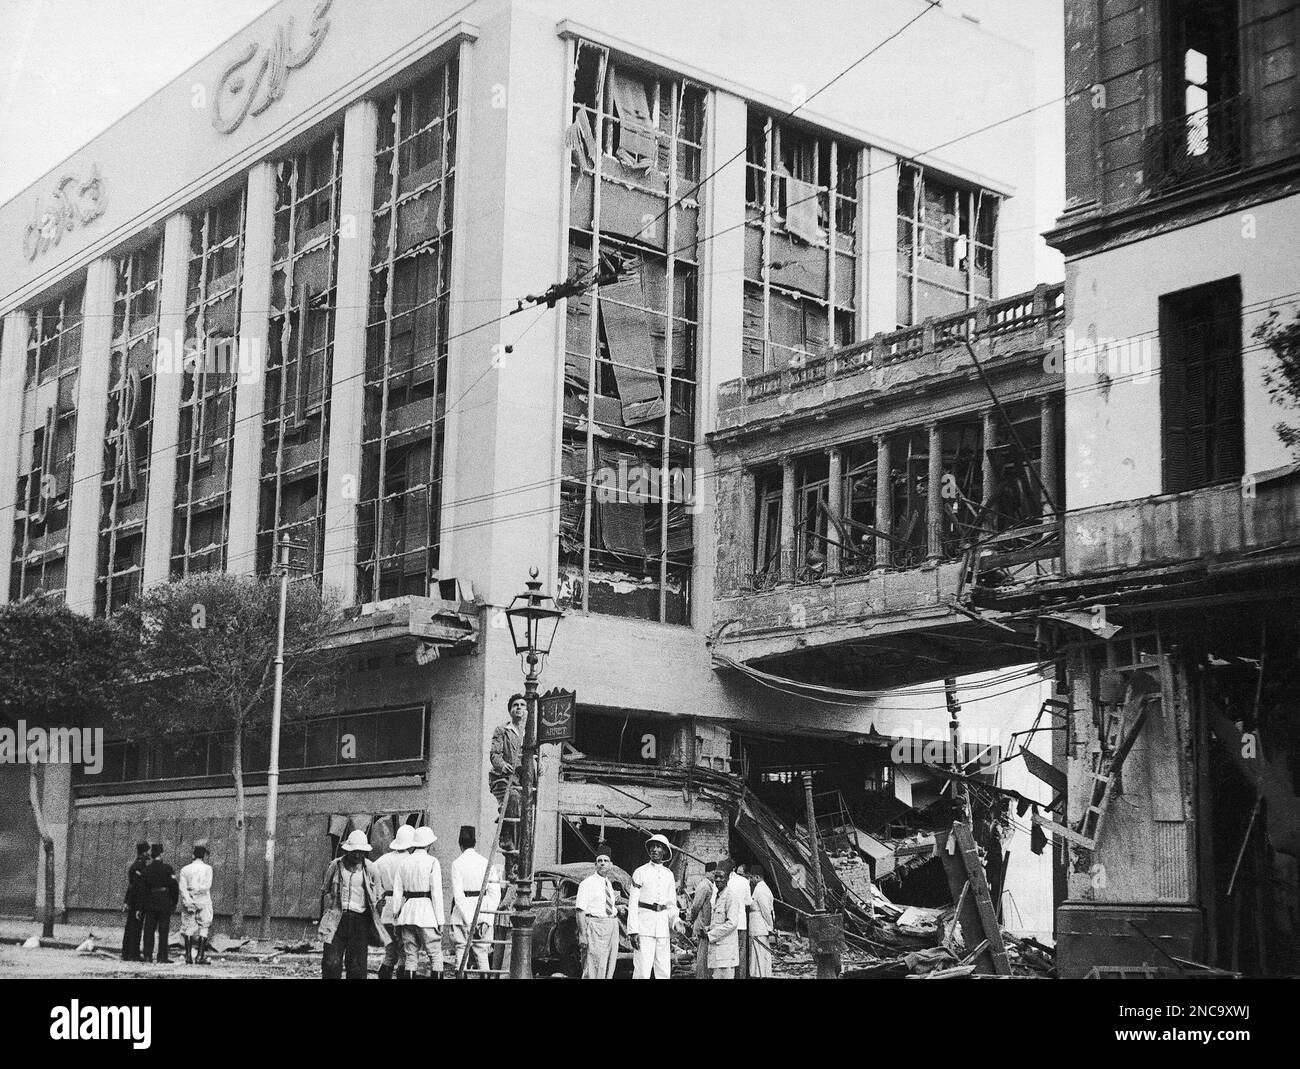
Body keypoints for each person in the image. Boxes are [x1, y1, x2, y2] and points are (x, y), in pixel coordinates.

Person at [319, 829, 389, 979]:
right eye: (355, 851)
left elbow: (378, 896)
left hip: (360, 920)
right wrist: (325, 916)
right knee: (331, 962)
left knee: (357, 965)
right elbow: (325, 891)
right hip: (337, 918)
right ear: (348, 850)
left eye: (361, 852)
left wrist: (376, 918)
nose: (358, 855)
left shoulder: (370, 869)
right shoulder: (335, 866)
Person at [392, 826, 445, 978]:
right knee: (435, 954)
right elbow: (436, 893)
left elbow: (398, 892)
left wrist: (396, 914)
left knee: (410, 956)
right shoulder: (433, 862)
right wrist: (440, 920)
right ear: (429, 844)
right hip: (427, 913)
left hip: (407, 913)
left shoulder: (404, 862)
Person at [627, 833, 683, 979]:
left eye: (658, 846)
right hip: (644, 927)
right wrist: (633, 931)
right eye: (652, 846)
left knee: (663, 969)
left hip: (663, 928)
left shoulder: (668, 874)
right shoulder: (640, 872)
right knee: (643, 970)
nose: (654, 849)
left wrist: (676, 921)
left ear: (664, 851)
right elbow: (633, 904)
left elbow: (671, 904)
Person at [450, 825, 500, 974]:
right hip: (482, 909)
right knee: (482, 953)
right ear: (474, 842)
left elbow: (458, 896)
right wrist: (487, 916)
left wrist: (468, 918)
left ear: (460, 844)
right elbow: (495, 892)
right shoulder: (486, 862)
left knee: (461, 951)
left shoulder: (457, 864)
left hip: (463, 912)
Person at [489, 694, 526, 876]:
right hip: (503, 779)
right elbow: (494, 754)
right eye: (515, 705)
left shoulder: (530, 732)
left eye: (522, 705)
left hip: (523, 781)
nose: (519, 708)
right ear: (510, 710)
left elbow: (541, 755)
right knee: (512, 798)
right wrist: (503, 765)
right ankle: (507, 842)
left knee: (523, 814)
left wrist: (541, 765)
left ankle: (517, 860)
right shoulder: (502, 730)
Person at [374, 824, 414, 979]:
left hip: (386, 909)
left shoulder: (382, 860)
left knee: (390, 952)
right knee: (404, 952)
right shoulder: (410, 860)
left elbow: (373, 879)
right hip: (403, 906)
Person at [575, 845, 620, 979]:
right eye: (599, 861)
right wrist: (583, 934)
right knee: (594, 966)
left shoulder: (608, 884)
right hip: (595, 927)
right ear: (595, 865)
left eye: (605, 861)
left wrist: (618, 909)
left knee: (609, 965)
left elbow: (606, 905)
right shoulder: (587, 883)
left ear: (610, 865)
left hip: (611, 926)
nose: (602, 863)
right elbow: (580, 910)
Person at [140, 843, 178, 964]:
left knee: (149, 930)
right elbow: (174, 886)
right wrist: (174, 902)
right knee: (163, 930)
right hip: (164, 902)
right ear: (161, 854)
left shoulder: (147, 869)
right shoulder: (168, 868)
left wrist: (142, 906)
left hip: (150, 902)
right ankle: (162, 957)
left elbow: (143, 889)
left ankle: (147, 955)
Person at [177, 843, 214, 965]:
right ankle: (199, 956)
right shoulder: (208, 869)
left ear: (193, 855)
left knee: (188, 927)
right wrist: (199, 892)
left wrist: (188, 899)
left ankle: (188, 956)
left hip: (190, 899)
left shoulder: (185, 869)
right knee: (204, 926)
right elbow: (207, 886)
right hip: (203, 899)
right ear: (203, 856)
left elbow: (182, 887)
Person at [706, 863, 744, 979]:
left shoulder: (730, 896)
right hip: (718, 951)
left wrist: (710, 934)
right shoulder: (719, 896)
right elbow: (718, 922)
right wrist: (709, 928)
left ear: (727, 878)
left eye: (721, 877)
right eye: (716, 876)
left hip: (726, 952)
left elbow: (732, 923)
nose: (717, 880)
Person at [688, 861, 717, 979]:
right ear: (708, 873)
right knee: (702, 953)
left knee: (706, 954)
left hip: (707, 924)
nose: (715, 876)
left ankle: (704, 975)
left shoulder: (710, 885)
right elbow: (696, 906)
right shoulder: (704, 886)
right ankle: (701, 976)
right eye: (714, 873)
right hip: (702, 924)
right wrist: (691, 920)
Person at [120, 840, 149, 962]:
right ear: (143, 852)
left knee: (130, 927)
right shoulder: (140, 867)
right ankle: (133, 953)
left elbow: (131, 887)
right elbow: (138, 889)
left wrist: (127, 901)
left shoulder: (135, 865)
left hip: (133, 902)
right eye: (147, 851)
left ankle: (126, 952)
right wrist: (139, 907)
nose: (149, 854)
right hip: (138, 903)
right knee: (135, 928)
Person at [747, 863, 776, 979]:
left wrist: (769, 927)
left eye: (752, 877)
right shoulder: (759, 888)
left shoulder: (762, 890)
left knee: (759, 954)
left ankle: (760, 975)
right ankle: (758, 974)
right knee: (757, 954)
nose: (751, 880)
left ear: (757, 877)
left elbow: (766, 911)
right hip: (756, 927)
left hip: (760, 927)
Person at [727, 859, 753, 978]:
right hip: (741, 922)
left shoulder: (724, 881)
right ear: (734, 869)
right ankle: (741, 976)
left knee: (728, 950)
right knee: (741, 950)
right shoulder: (744, 881)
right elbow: (748, 901)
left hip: (727, 922)